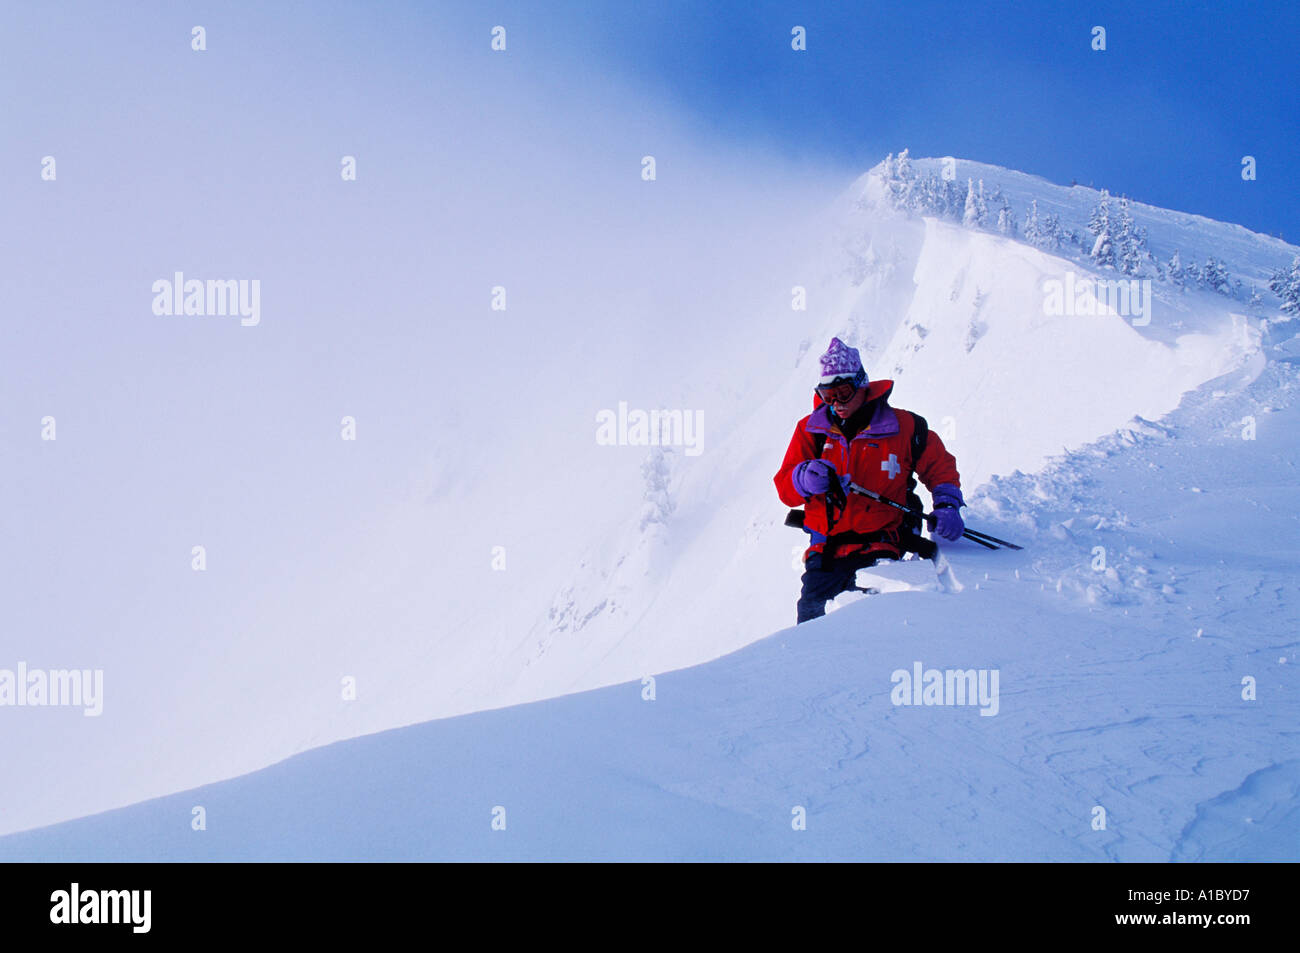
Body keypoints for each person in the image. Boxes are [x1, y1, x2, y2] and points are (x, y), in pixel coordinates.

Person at [774, 337, 965, 623]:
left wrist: (947, 505)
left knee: (872, 624)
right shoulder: (811, 431)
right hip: (824, 554)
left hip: (882, 548)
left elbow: (940, 467)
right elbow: (785, 489)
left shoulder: (905, 427)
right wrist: (803, 478)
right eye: (827, 395)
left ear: (862, 385)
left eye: (843, 392)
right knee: (811, 630)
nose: (836, 402)